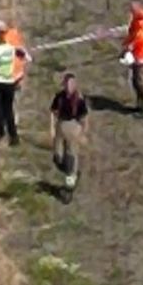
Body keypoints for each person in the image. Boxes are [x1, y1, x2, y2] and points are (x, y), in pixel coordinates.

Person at [48, 73, 89, 203]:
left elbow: (84, 117)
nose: (69, 86)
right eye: (67, 83)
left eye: (72, 83)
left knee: (71, 155)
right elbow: (53, 112)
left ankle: (69, 184)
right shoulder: (59, 97)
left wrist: (83, 132)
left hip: (73, 126)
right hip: (61, 125)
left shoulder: (79, 99)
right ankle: (70, 173)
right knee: (57, 156)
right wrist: (51, 127)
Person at [0, 22, 25, 146]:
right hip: (11, 79)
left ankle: (0, 132)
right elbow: (24, 55)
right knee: (9, 108)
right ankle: (13, 135)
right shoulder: (13, 41)